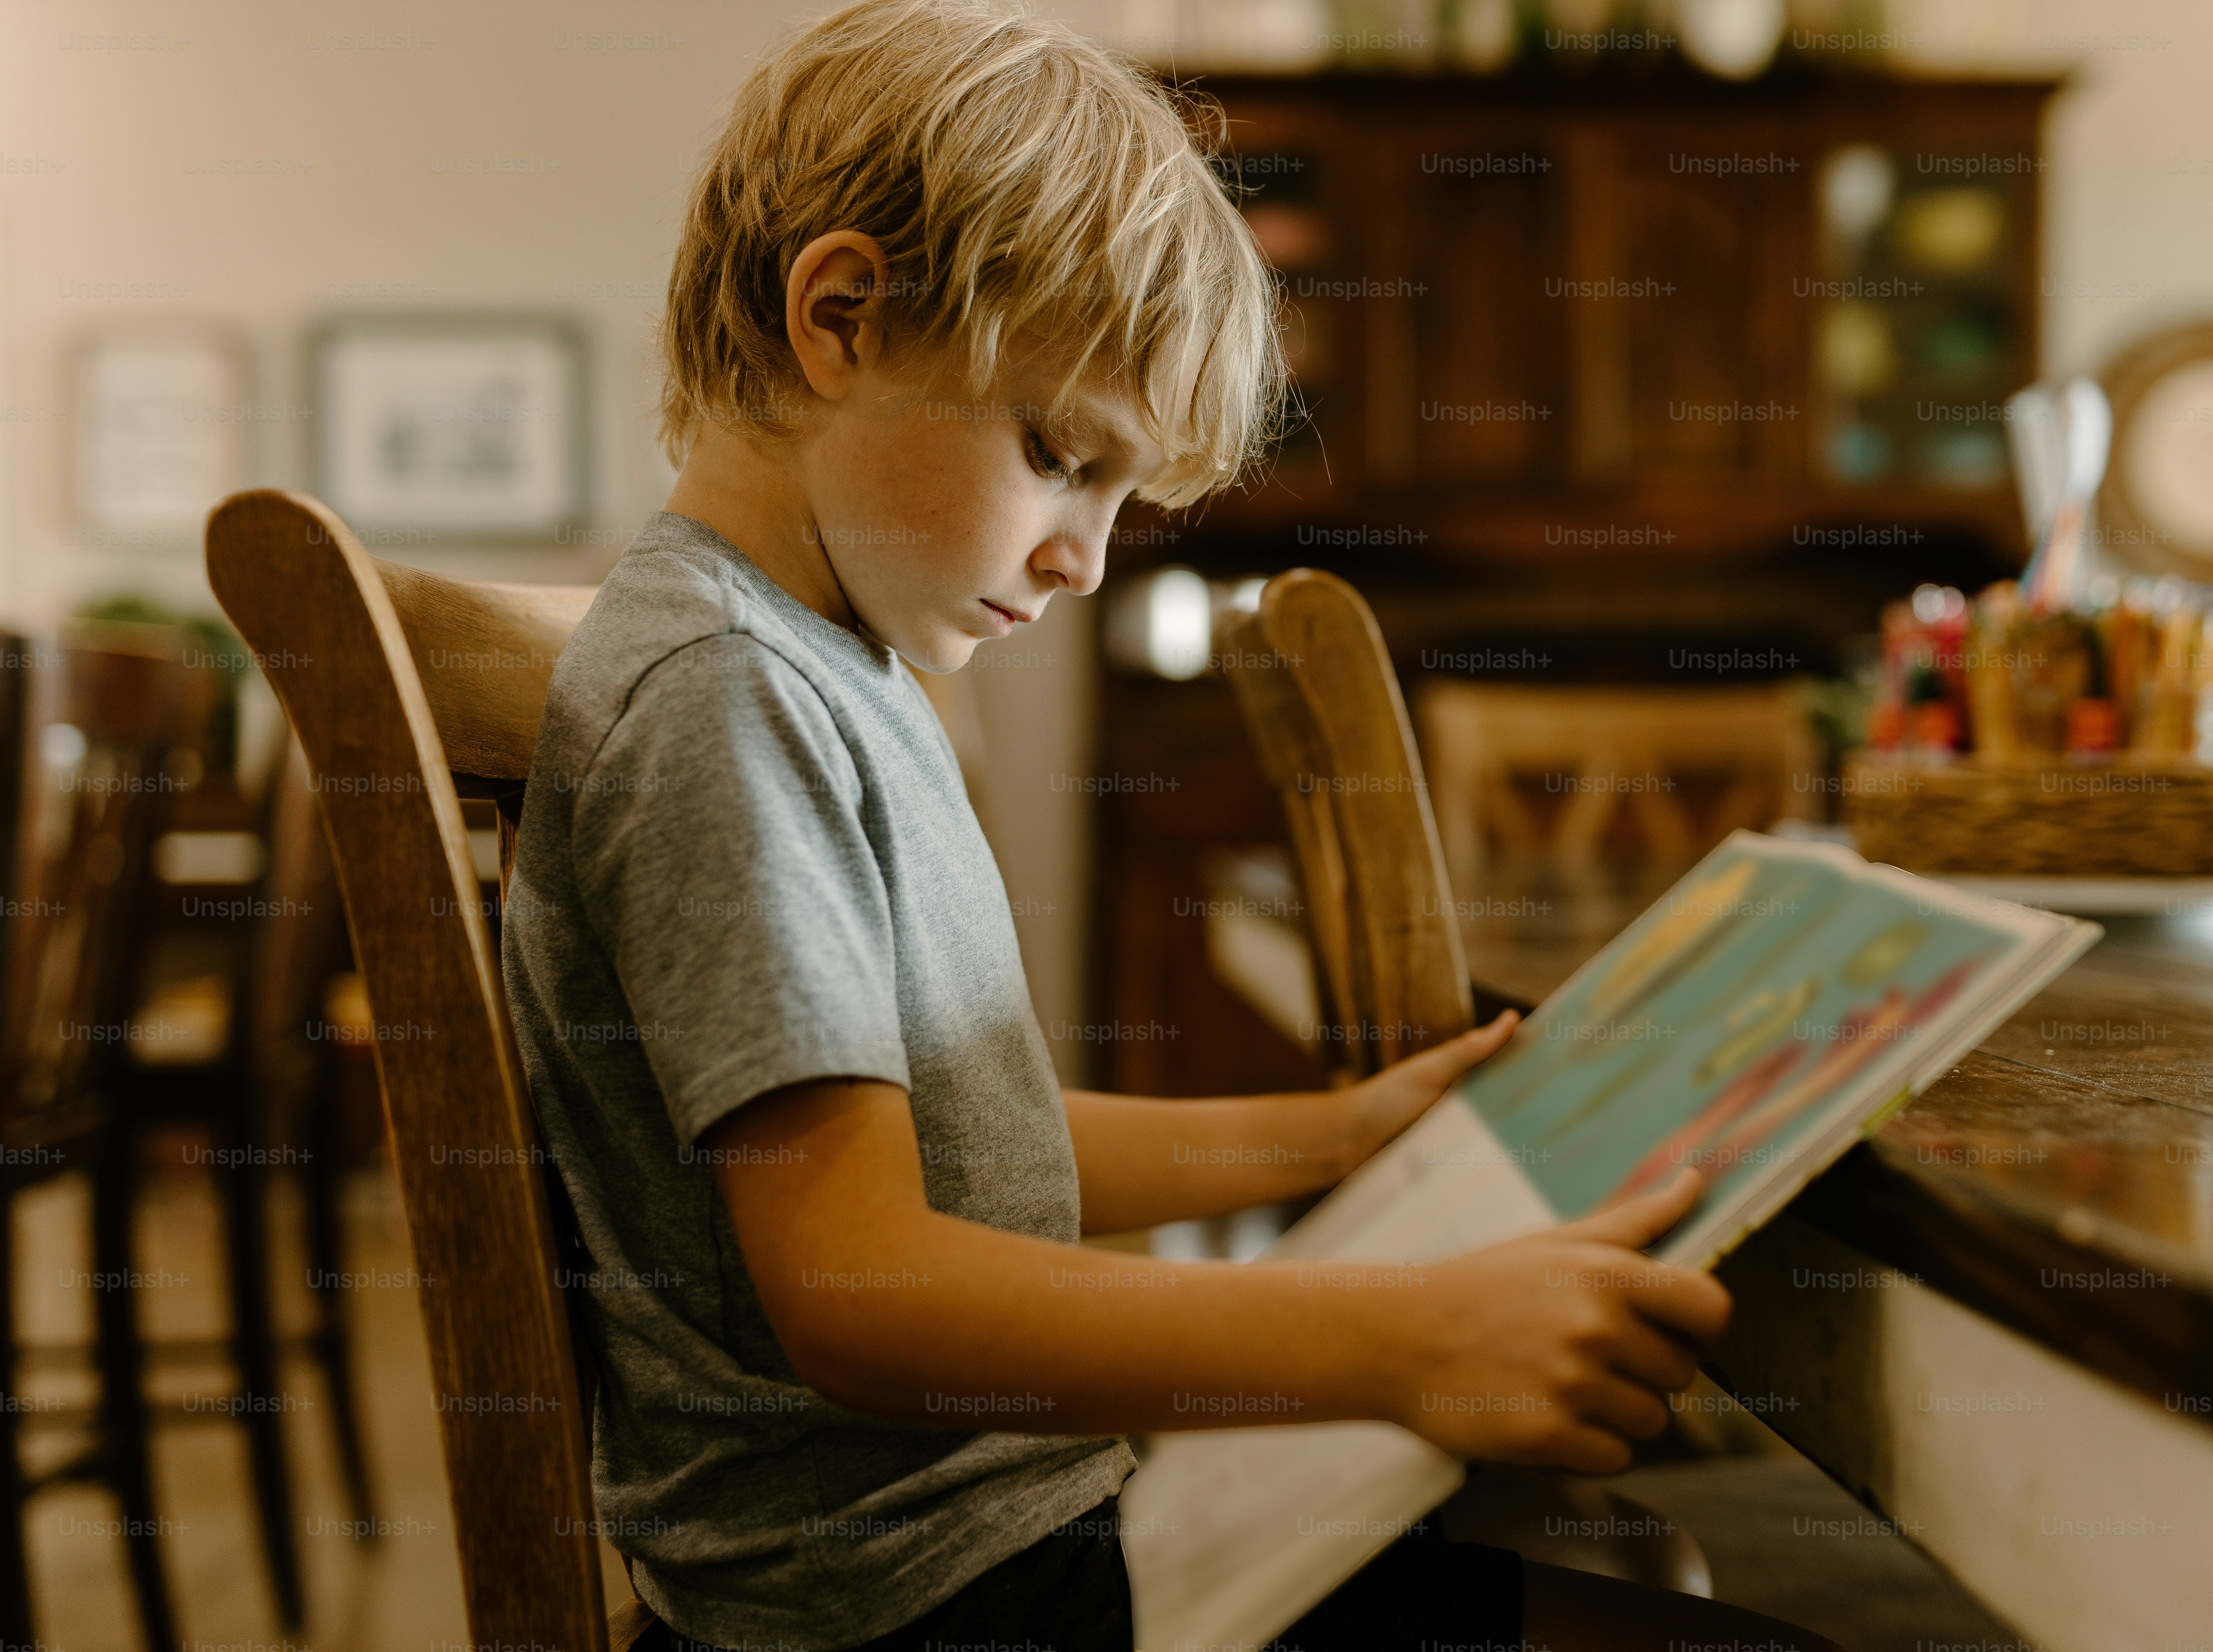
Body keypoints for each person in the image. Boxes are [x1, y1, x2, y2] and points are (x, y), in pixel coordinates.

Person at [501, 4, 1845, 1649]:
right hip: (938, 1601)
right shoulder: (724, 694)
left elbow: (959, 1150)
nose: (1087, 554)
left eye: (1122, 499)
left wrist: (1335, 1137)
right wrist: (1405, 1337)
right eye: (1065, 457)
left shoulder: (819, 665)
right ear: (839, 316)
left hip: (1012, 1537)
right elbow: (857, 1286)